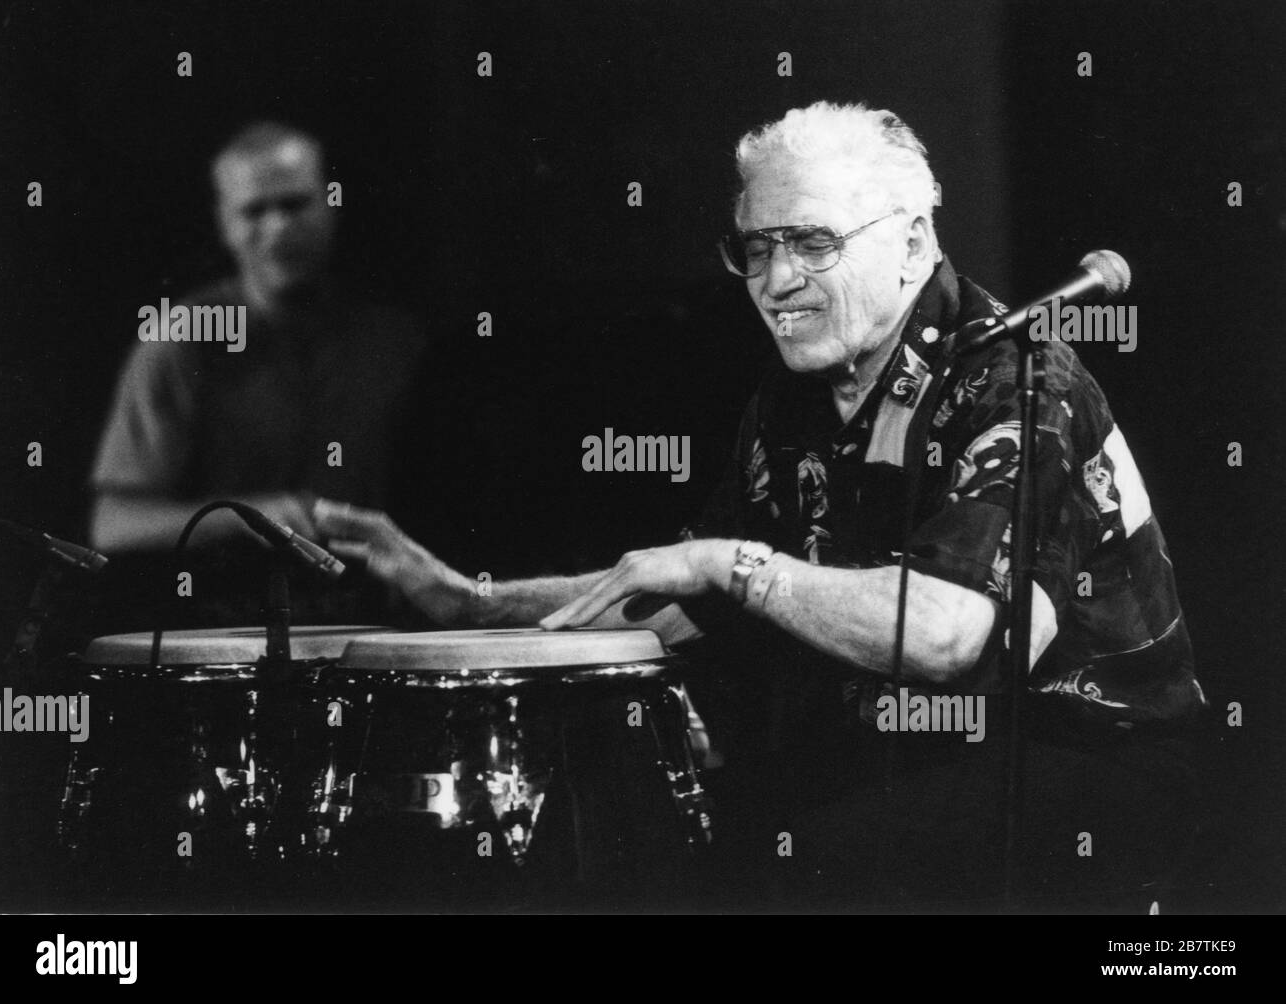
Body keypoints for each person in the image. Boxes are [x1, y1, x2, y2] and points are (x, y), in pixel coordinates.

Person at [312, 102, 1207, 909]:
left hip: (1083, 755)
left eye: (813, 242)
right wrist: (473, 605)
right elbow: (675, 600)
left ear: (911, 241)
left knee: (805, 864)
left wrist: (735, 567)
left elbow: (945, 635)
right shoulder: (793, 398)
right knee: (634, 838)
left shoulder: (1015, 376)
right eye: (756, 245)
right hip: (911, 752)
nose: (776, 281)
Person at [88, 121, 426, 624]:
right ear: (224, 222)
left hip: (371, 634)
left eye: (295, 204)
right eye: (254, 211)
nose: (278, 227)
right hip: (223, 638)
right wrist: (239, 516)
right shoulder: (182, 339)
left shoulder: (394, 340)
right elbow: (113, 524)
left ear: (332, 204)